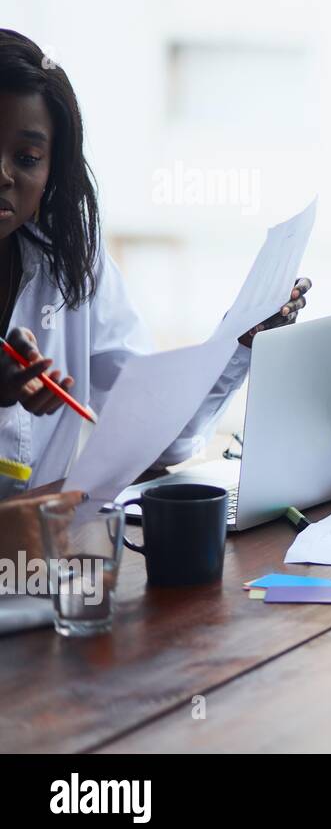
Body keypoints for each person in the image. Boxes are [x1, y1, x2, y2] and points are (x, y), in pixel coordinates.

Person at [0, 29, 309, 494]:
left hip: (39, 557)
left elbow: (155, 441)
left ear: (52, 170)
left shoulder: (69, 262)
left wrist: (236, 342)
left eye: (26, 157)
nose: (3, 174)